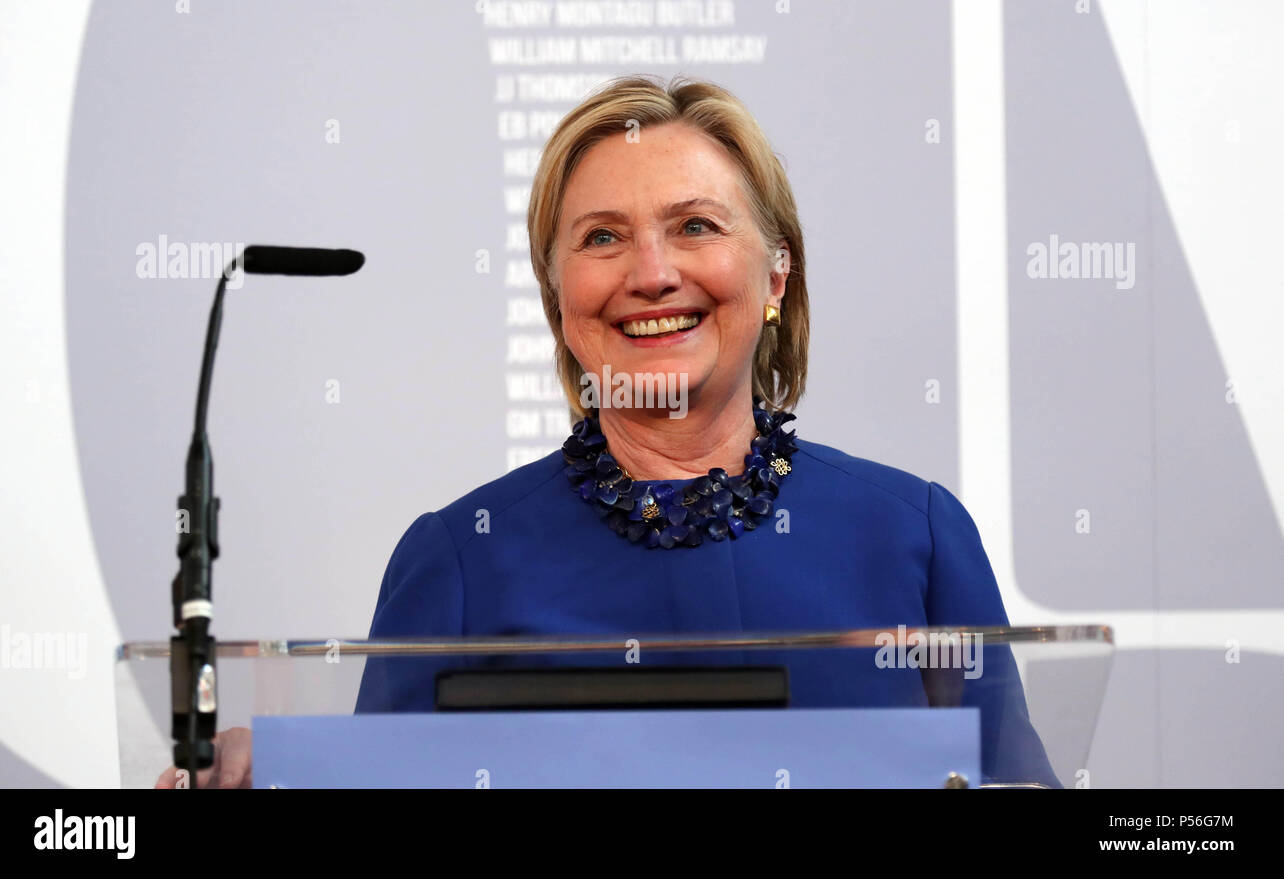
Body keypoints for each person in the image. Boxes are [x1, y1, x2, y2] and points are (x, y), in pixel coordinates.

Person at [158, 74, 1057, 789]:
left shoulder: (915, 536)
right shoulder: (460, 561)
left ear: (776, 276)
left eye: (695, 225)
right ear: (559, 301)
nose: (652, 273)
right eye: (601, 239)